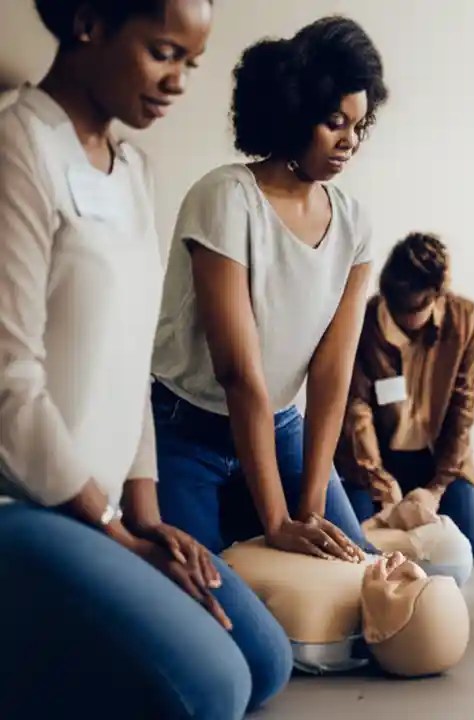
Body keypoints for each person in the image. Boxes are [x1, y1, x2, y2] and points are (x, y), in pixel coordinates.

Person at [0, 2, 294, 718]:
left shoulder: (134, 171)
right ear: (89, 23)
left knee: (264, 661)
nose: (178, 82)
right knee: (214, 690)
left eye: (190, 64)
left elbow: (132, 367)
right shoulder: (18, 147)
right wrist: (109, 529)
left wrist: (146, 518)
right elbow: (8, 386)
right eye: (164, 52)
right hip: (25, 506)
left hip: (100, 511)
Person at [150, 15, 388, 562]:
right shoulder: (226, 198)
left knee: (355, 573)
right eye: (334, 122)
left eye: (359, 124)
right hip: (187, 433)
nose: (350, 141)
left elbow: (332, 371)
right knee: (209, 603)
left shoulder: (354, 223)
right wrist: (277, 521)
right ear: (295, 114)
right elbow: (238, 372)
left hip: (282, 428)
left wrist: (309, 508)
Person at [337, 232, 474, 558]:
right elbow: (355, 409)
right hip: (375, 459)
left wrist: (436, 488)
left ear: (436, 296)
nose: (402, 319)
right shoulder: (362, 322)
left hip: (438, 458)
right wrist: (380, 483)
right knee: (356, 543)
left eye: (413, 310)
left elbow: (463, 409)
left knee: (470, 544)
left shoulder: (464, 319)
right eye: (395, 310)